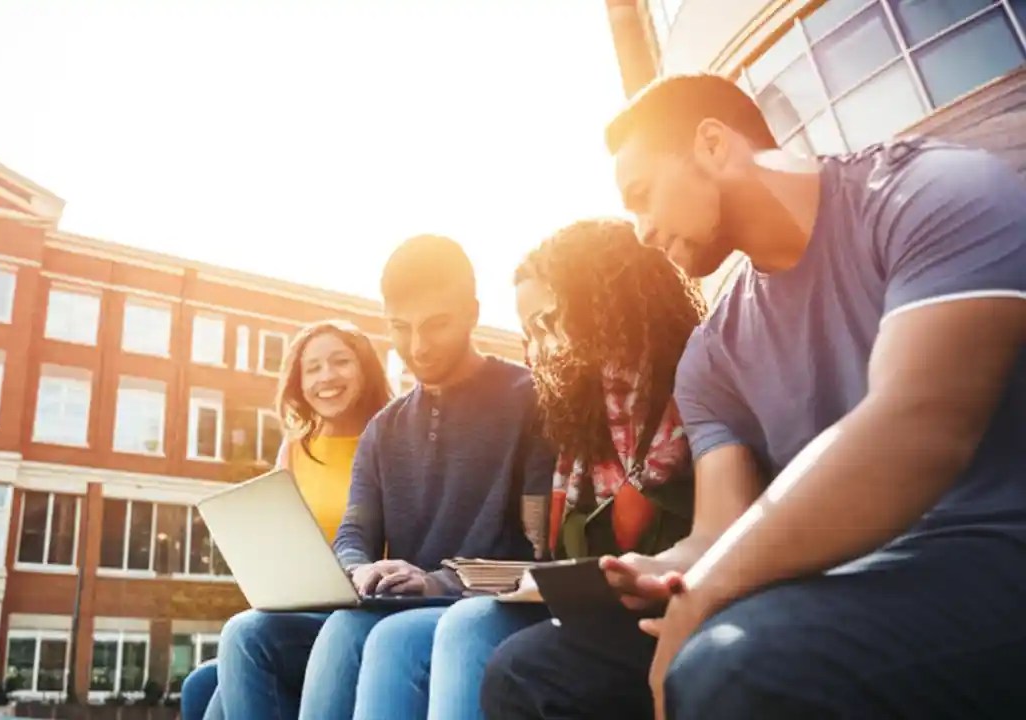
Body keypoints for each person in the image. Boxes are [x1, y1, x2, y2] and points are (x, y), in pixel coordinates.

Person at [604, 73, 1026, 718]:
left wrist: (707, 592)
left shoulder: (932, 189)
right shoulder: (711, 355)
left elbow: (918, 431)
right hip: (853, 582)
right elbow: (718, 532)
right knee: (537, 669)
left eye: (642, 196)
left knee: (735, 666)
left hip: (997, 548)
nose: (640, 231)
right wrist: (662, 570)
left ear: (713, 145)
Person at [210, 235, 555, 720]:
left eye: (436, 325)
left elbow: (538, 548)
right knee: (248, 634)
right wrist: (358, 570)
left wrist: (436, 580)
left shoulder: (531, 400)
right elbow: (354, 532)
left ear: (472, 313)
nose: (418, 347)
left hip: (483, 603)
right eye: (400, 328)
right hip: (397, 603)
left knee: (365, 633)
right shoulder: (384, 428)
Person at [418, 218, 699, 720]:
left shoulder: (697, 394)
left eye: (547, 324)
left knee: (516, 662)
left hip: (682, 611)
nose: (535, 352)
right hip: (596, 620)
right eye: (528, 333)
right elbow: (560, 560)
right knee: (465, 627)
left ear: (604, 311)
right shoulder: (579, 436)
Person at [179, 319, 392, 720]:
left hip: (363, 613)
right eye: (312, 368)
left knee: (244, 638)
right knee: (200, 684)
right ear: (299, 383)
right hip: (303, 610)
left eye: (340, 362)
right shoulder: (295, 448)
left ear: (365, 368)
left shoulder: (391, 439)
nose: (326, 377)